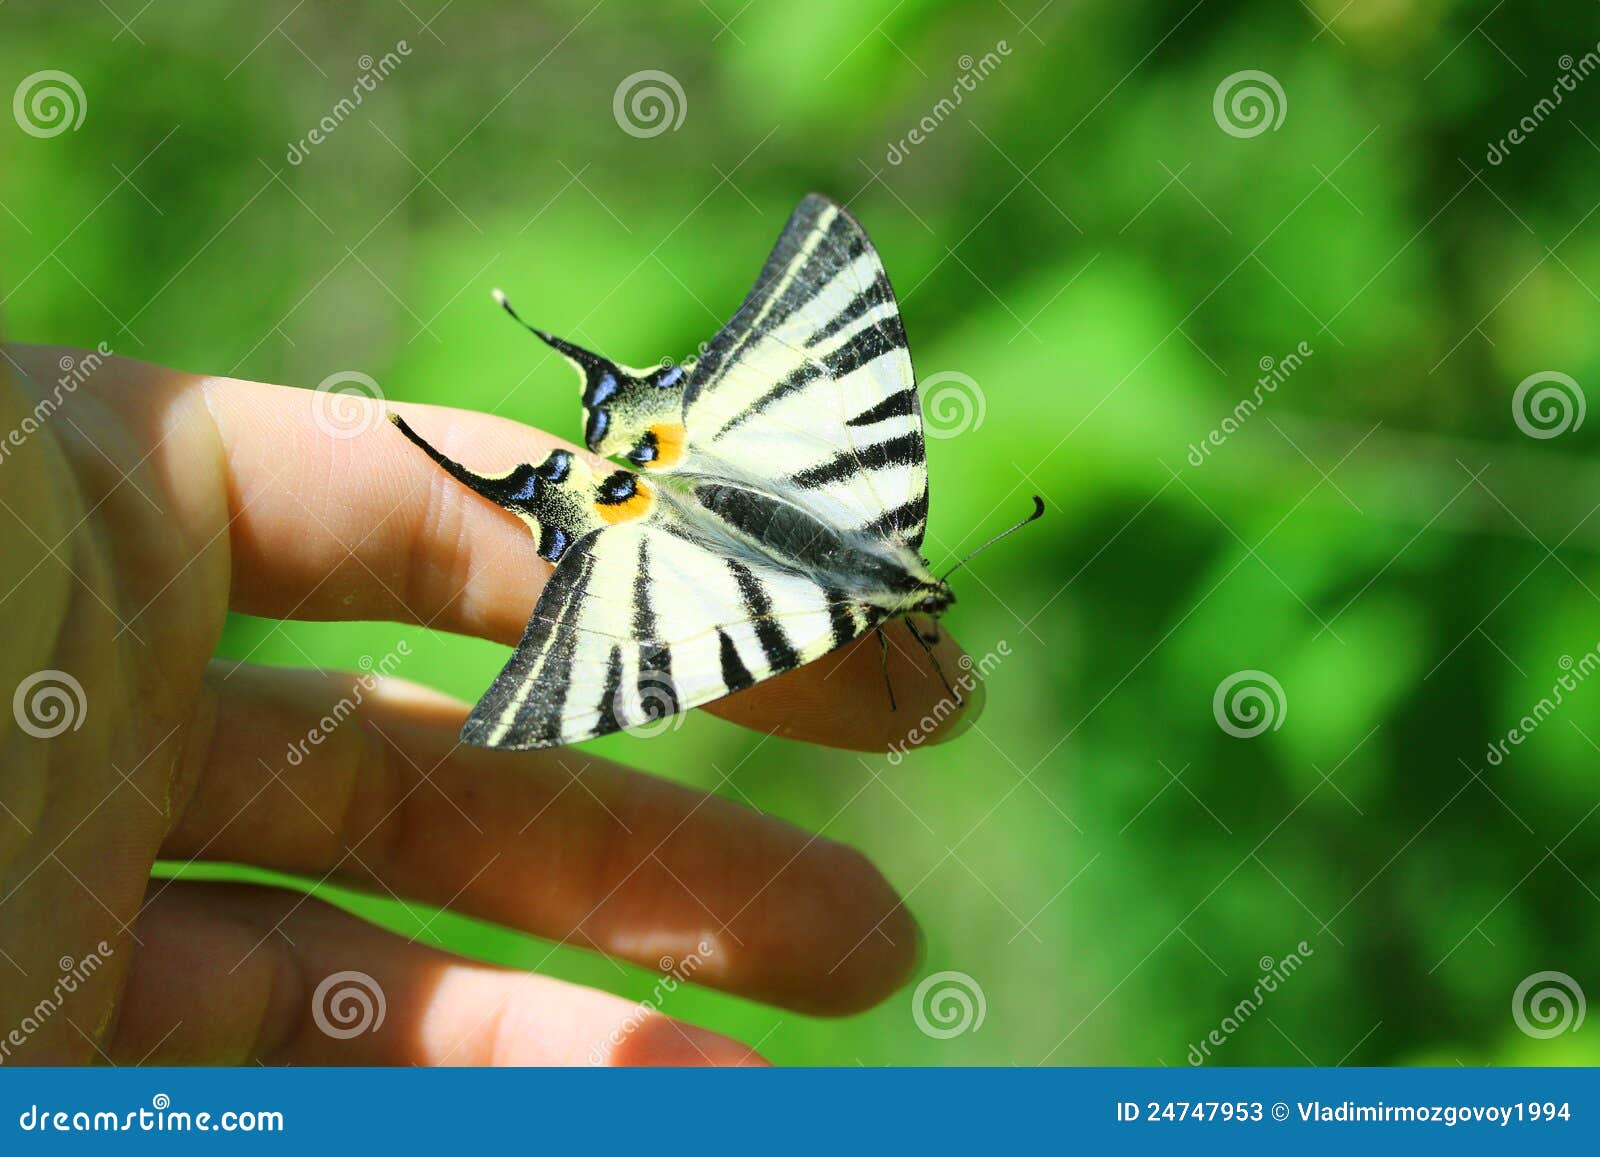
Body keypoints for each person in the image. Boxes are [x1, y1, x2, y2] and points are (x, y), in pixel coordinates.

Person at [0, 344, 973, 1065]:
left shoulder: (847, 586)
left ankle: (629, 480)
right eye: (918, 606)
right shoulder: (836, 610)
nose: (922, 610)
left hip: (682, 460)